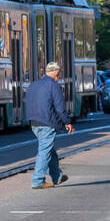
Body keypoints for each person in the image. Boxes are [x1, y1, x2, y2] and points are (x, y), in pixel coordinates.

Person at [23, 61, 74, 189]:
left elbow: (27, 102)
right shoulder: (53, 85)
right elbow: (60, 107)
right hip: (47, 122)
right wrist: (67, 122)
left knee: (49, 149)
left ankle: (57, 177)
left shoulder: (34, 84)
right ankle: (38, 180)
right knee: (44, 151)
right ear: (56, 73)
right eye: (59, 74)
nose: (59, 77)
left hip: (33, 122)